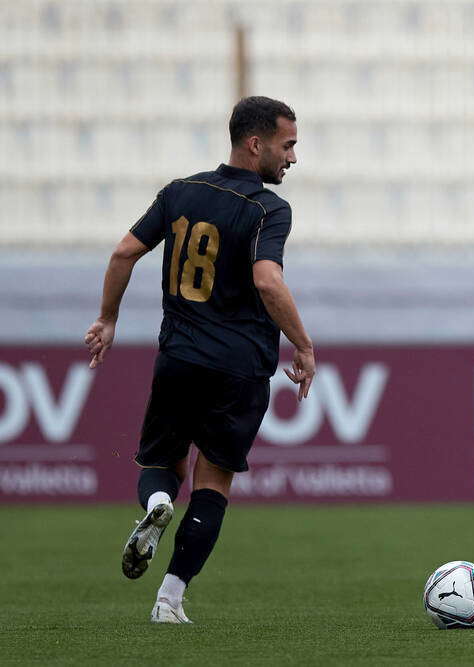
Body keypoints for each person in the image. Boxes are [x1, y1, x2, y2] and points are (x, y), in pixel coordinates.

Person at [83, 96, 315, 624]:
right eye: (287, 145)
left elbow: (123, 252)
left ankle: (156, 505)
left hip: (180, 357)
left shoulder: (180, 192)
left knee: (162, 465)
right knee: (212, 484)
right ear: (255, 144)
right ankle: (169, 600)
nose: (293, 158)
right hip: (240, 367)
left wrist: (108, 318)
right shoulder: (268, 209)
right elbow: (267, 280)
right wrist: (302, 345)